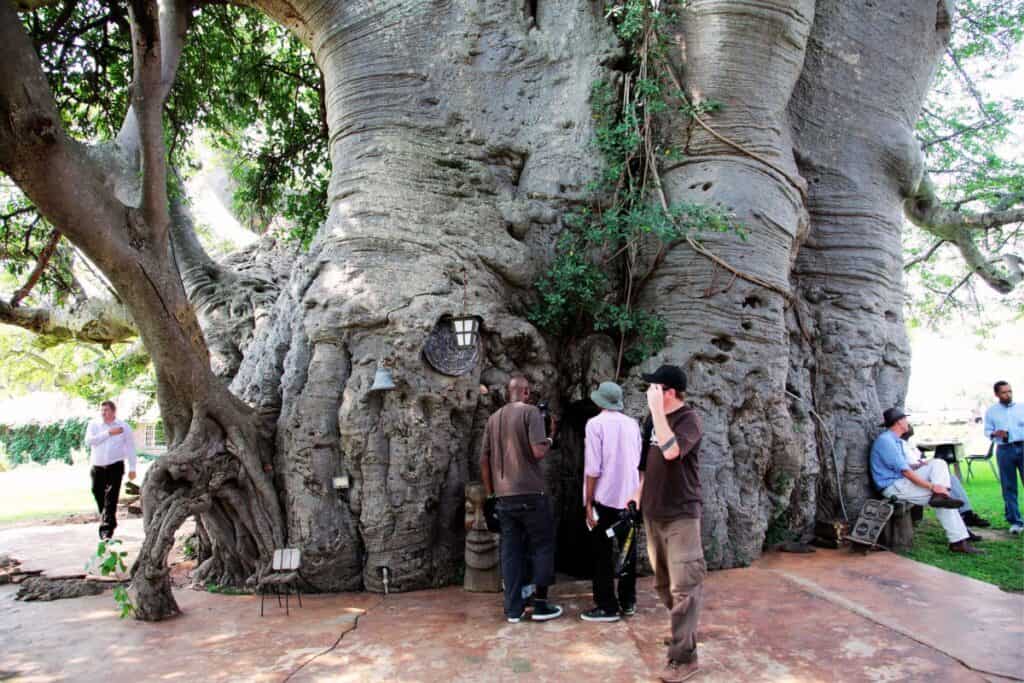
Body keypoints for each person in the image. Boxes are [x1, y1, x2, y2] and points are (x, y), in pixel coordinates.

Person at [631, 365, 704, 683]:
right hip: (653, 513)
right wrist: (636, 494)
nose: (649, 393)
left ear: (669, 392)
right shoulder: (651, 420)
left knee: (684, 586)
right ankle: (682, 633)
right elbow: (645, 467)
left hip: (681, 515)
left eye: (654, 388)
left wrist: (657, 413)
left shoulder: (689, 420)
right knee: (663, 584)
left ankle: (684, 657)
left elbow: (672, 451)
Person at [479, 375, 563, 623]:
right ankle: (540, 605)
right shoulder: (531, 413)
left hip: (504, 497)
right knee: (542, 546)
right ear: (525, 393)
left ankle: (513, 609)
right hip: (532, 494)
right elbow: (538, 451)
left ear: (509, 393)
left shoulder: (493, 419)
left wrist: (491, 492)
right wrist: (551, 436)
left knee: (511, 551)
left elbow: (483, 459)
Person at [870, 408, 981, 554]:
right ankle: (958, 541)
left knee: (938, 463)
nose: (907, 422)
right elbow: (905, 472)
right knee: (942, 498)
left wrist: (918, 466)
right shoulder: (886, 441)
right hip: (893, 487)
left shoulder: (894, 440)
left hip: (901, 482)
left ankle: (957, 537)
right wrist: (932, 486)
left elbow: (903, 467)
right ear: (899, 422)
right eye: (905, 419)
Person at [580, 381, 642, 623]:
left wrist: (588, 503)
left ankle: (606, 606)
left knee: (602, 554)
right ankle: (628, 602)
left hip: (603, 499)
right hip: (629, 500)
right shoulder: (632, 424)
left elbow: (593, 468)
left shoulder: (595, 425)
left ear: (599, 401)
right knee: (628, 553)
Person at [900, 426, 987, 537]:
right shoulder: (900, 445)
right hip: (912, 478)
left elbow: (917, 460)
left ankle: (966, 515)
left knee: (950, 482)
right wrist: (922, 466)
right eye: (906, 424)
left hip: (921, 472)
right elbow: (906, 467)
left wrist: (923, 462)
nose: (909, 426)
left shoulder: (909, 444)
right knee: (944, 492)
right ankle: (964, 522)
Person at [84, 400, 137, 540]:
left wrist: (132, 468)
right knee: (97, 493)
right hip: (97, 467)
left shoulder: (123, 426)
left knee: (111, 498)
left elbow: (131, 447)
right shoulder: (94, 425)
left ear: (113, 411)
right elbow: (89, 441)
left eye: (106, 410)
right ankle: (109, 520)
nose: (103, 413)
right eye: (102, 410)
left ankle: (106, 531)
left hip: (115, 466)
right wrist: (108, 433)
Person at [983, 381, 1024, 535]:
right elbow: (987, 431)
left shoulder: (1021, 408)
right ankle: (1015, 522)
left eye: (1010, 391)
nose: (1008, 395)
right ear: (997, 395)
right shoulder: (991, 412)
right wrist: (995, 434)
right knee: (1008, 486)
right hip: (1005, 450)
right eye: (1004, 392)